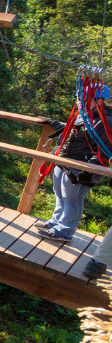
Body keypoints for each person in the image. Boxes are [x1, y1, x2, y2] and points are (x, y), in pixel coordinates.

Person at [38, 85, 111, 243]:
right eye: (79, 98)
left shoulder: (105, 122)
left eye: (84, 98)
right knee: (60, 194)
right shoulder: (85, 114)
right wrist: (58, 126)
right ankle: (56, 222)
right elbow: (77, 133)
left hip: (82, 166)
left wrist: (90, 170)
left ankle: (64, 231)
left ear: (99, 101)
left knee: (73, 199)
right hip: (66, 160)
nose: (79, 101)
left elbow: (106, 150)